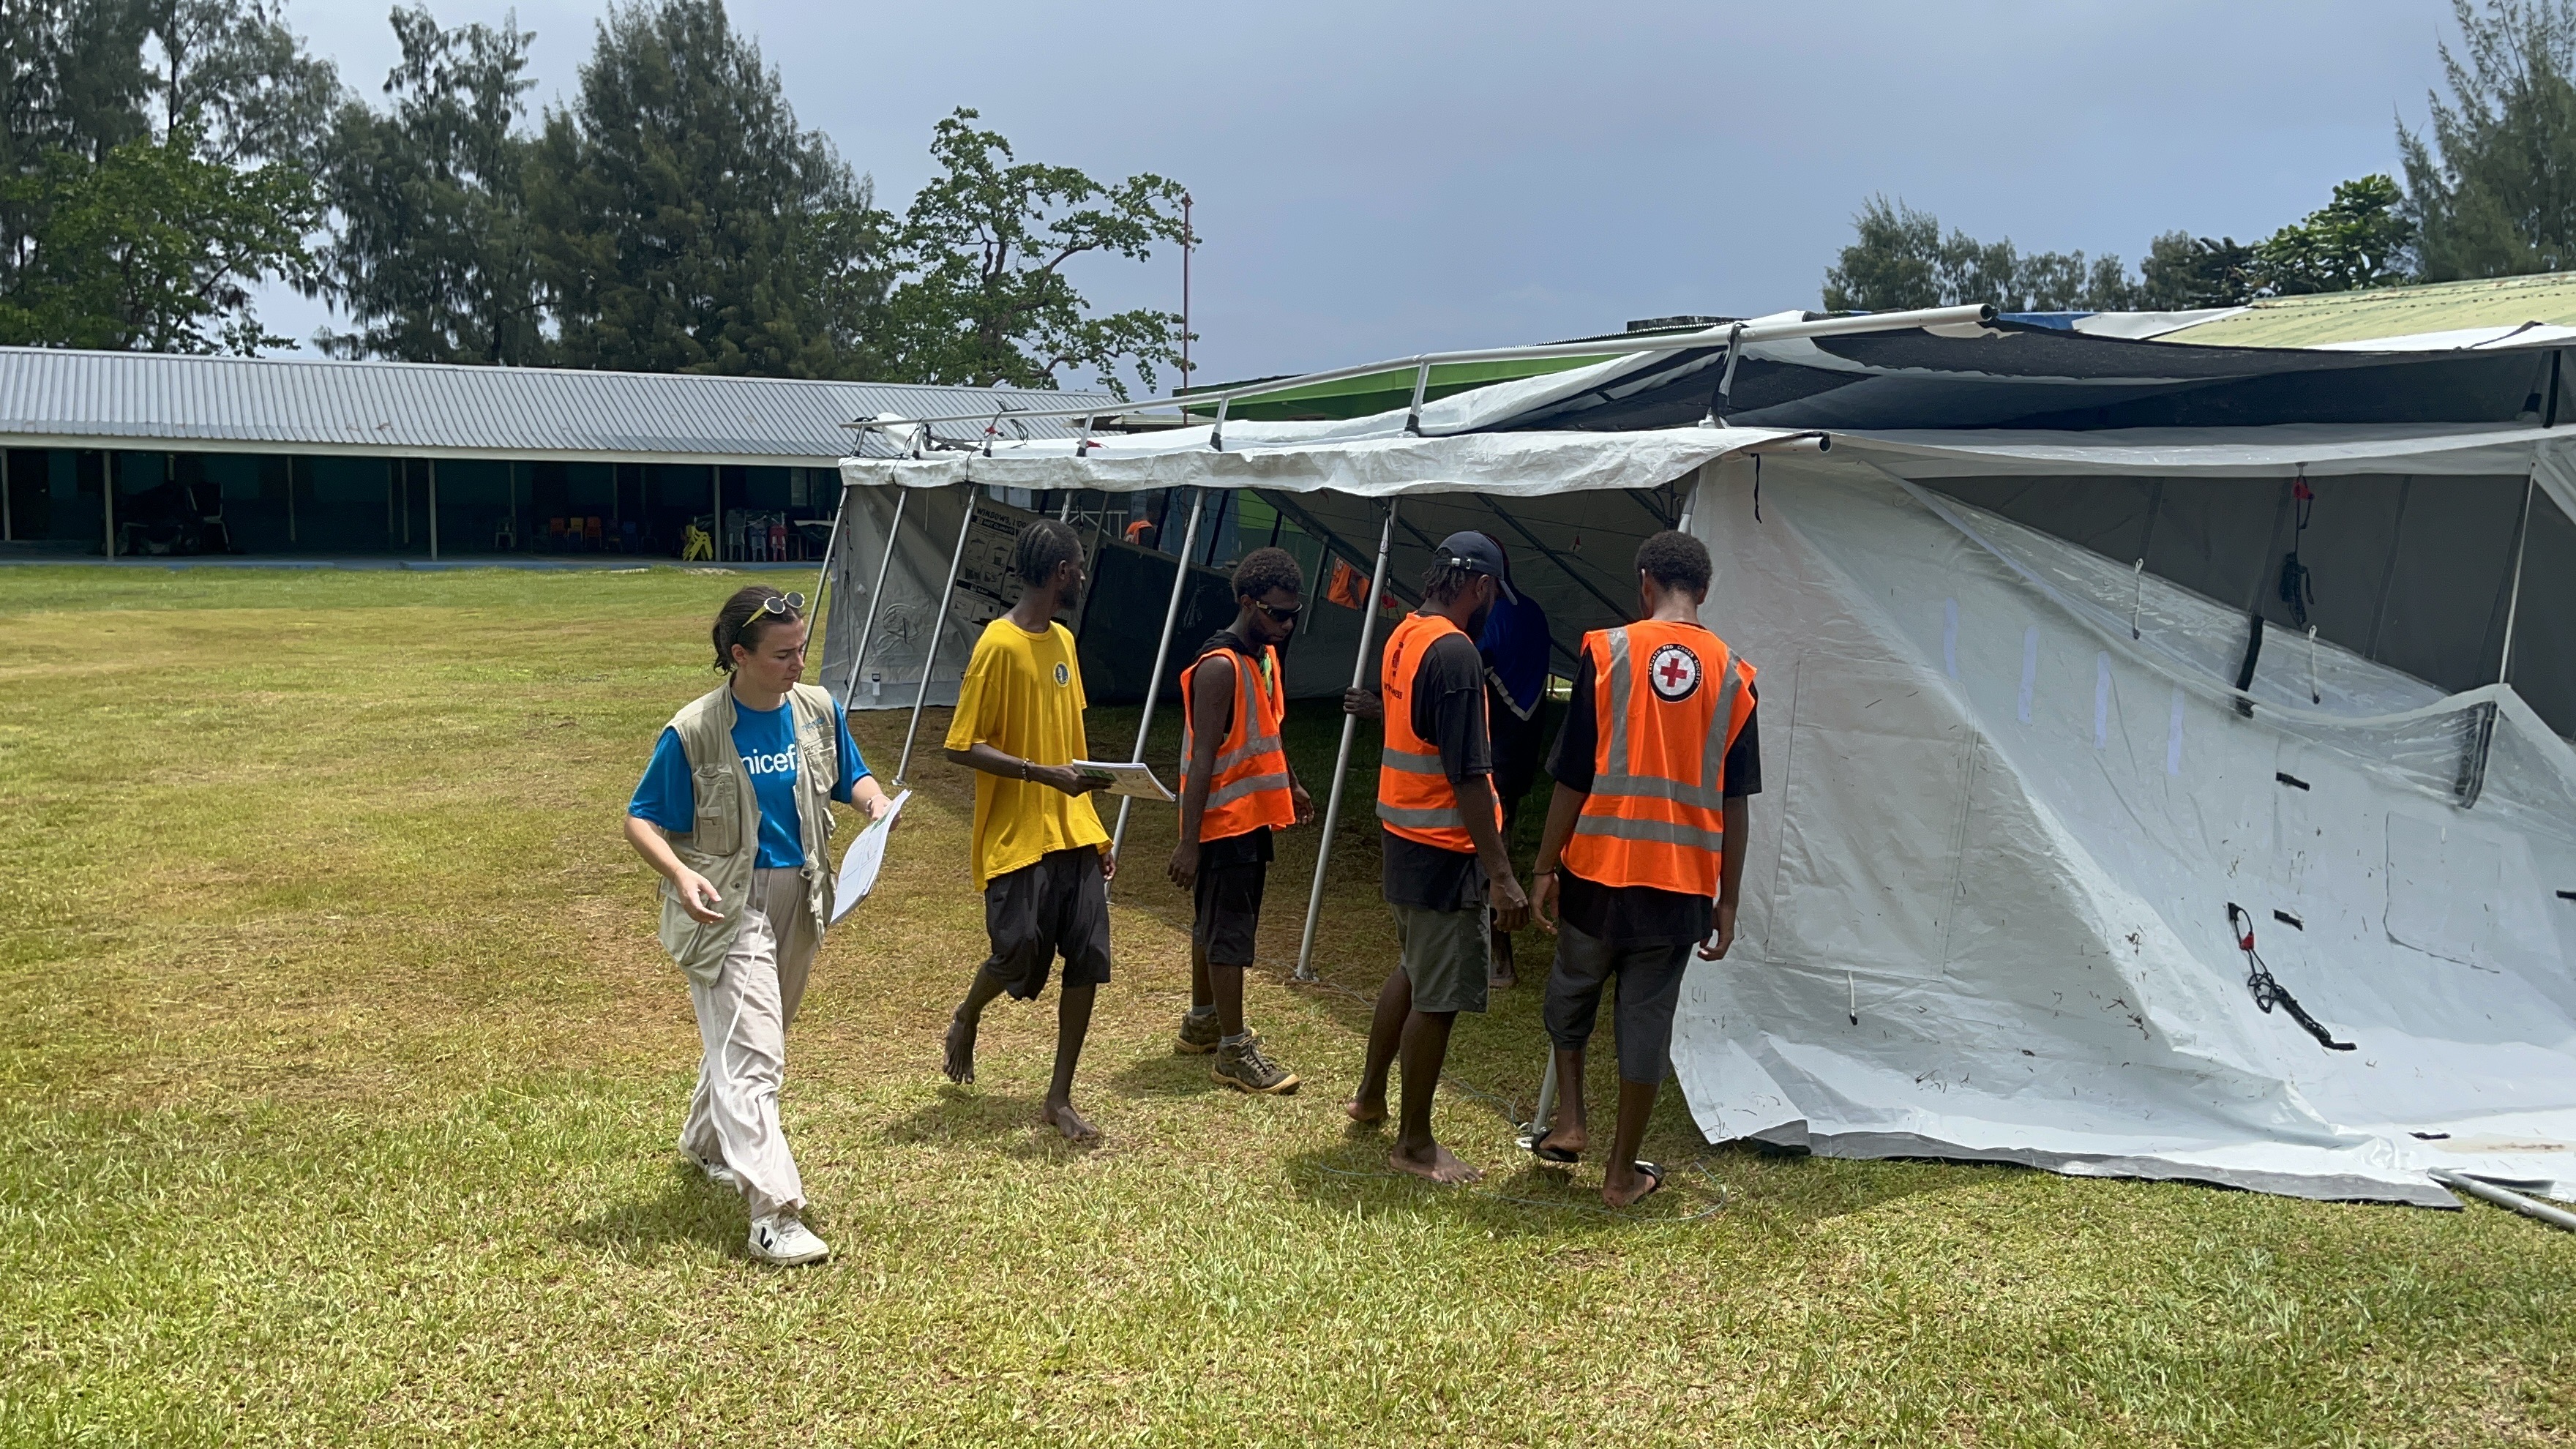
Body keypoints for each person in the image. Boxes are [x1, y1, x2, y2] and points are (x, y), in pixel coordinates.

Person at [623, 585, 894, 1266]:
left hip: (802, 898)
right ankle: (773, 1214)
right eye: (782, 654)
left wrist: (875, 804)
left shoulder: (817, 710)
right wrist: (682, 877)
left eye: (803, 647)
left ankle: (706, 1144)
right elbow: (640, 818)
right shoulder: (694, 730)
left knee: (751, 1038)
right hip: (727, 907)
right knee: (755, 1058)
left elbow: (849, 776)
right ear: (738, 656)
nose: (799, 663)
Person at [1528, 529, 1759, 1208]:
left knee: (1572, 989)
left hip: (1598, 868)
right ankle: (1621, 1173)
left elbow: (1571, 776)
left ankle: (1571, 1119)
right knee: (1646, 1019)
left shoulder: (1608, 652)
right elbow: (1734, 801)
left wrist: (1545, 865)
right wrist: (1729, 900)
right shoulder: (1735, 675)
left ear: (1644, 583)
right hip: (1681, 883)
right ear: (1705, 592)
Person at [1343, 531, 1532, 1183]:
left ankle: (1370, 1098)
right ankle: (1415, 1144)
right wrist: (1502, 875)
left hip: (1404, 835)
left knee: (1412, 969)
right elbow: (1470, 774)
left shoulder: (1407, 633)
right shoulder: (1455, 654)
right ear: (1481, 587)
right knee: (1439, 995)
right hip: (1444, 848)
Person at [940, 518, 1118, 1144]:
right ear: (1060, 572)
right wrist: (1040, 775)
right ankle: (968, 1014)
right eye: (1078, 567)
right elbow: (961, 745)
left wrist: (1096, 831)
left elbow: (1072, 743)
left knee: (1088, 959)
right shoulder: (997, 645)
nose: (1083, 576)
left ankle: (1059, 1097)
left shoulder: (1065, 643)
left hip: (1073, 830)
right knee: (1014, 952)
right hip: (1017, 832)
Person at [1168, 547, 1314, 1093]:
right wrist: (1189, 842)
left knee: (1214, 923)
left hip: (1249, 819)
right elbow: (1202, 757)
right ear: (1248, 603)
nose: (1288, 623)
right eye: (1277, 613)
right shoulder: (1219, 668)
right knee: (1228, 932)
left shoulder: (1264, 660)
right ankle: (1233, 1049)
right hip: (1223, 825)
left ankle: (1203, 1021)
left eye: (1294, 613)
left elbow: (1267, 731)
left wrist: (1291, 782)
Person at [1472, 533, 1551, 987]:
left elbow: (1464, 670)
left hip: (1499, 748)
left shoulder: (1497, 620)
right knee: (1499, 842)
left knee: (1491, 851)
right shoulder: (1531, 611)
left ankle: (1500, 960)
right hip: (1522, 745)